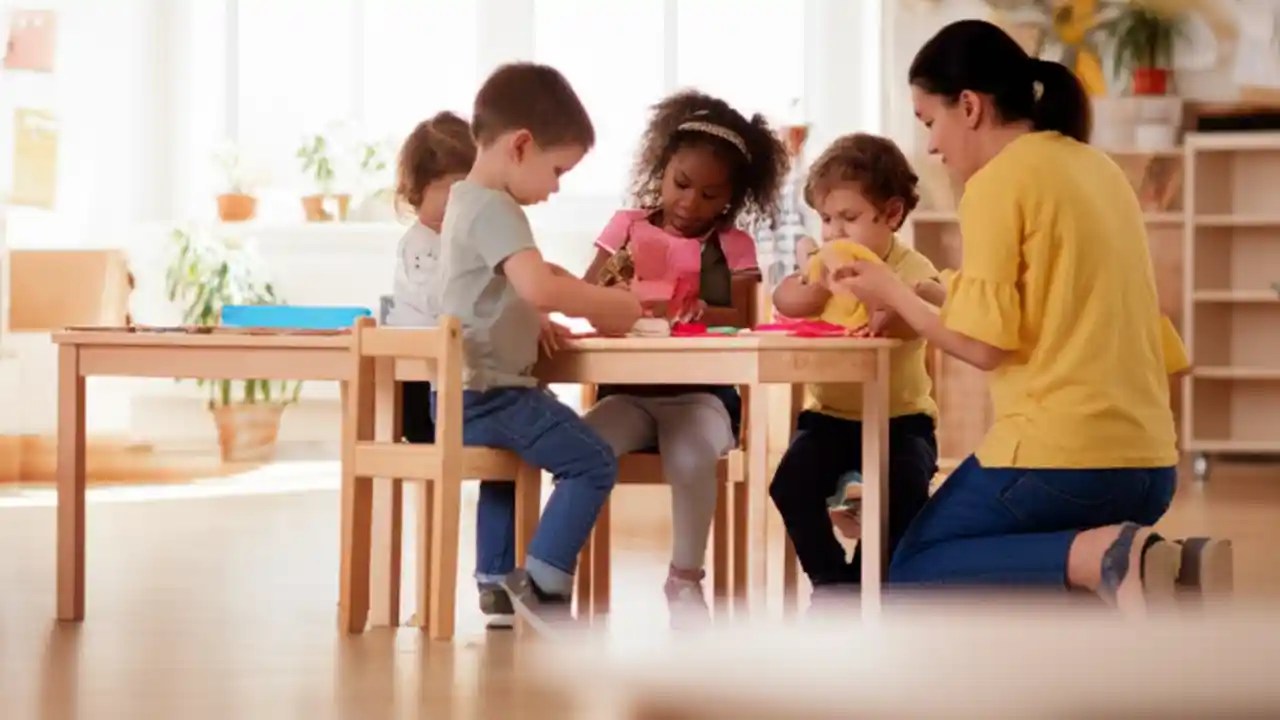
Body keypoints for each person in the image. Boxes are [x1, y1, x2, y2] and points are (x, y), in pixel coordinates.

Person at [832, 19, 1223, 615]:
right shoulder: (1097, 169)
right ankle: (1160, 562)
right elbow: (1040, 300)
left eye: (929, 121)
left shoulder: (996, 183)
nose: (932, 146)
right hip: (1149, 466)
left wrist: (891, 288)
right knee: (1026, 565)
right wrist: (928, 290)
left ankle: (1106, 556)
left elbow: (983, 344)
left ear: (968, 106)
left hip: (1063, 460)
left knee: (912, 569)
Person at [437, 62, 643, 628]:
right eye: (558, 170)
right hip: (492, 393)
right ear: (521, 146)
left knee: (508, 468)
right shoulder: (496, 206)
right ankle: (546, 584)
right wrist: (612, 306)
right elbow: (538, 283)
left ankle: (497, 584)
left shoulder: (464, 200)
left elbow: (502, 286)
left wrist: (532, 315)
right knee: (593, 461)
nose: (556, 187)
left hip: (459, 395)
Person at [580, 90, 789, 626]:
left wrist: (707, 304)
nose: (690, 203)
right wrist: (618, 283)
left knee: (693, 459)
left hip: (703, 398)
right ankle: (552, 572)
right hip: (628, 396)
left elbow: (742, 316)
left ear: (731, 200)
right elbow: (586, 292)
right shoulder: (627, 225)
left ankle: (685, 580)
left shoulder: (729, 245)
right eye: (681, 184)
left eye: (709, 195)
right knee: (577, 447)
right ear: (661, 168)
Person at [769, 133, 939, 602]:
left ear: (892, 215)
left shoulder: (907, 266)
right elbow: (785, 300)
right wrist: (816, 282)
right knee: (790, 484)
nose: (835, 232)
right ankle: (833, 584)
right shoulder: (825, 265)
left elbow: (925, 309)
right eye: (826, 219)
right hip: (829, 419)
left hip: (900, 421)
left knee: (903, 487)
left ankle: (870, 580)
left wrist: (893, 306)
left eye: (849, 218)